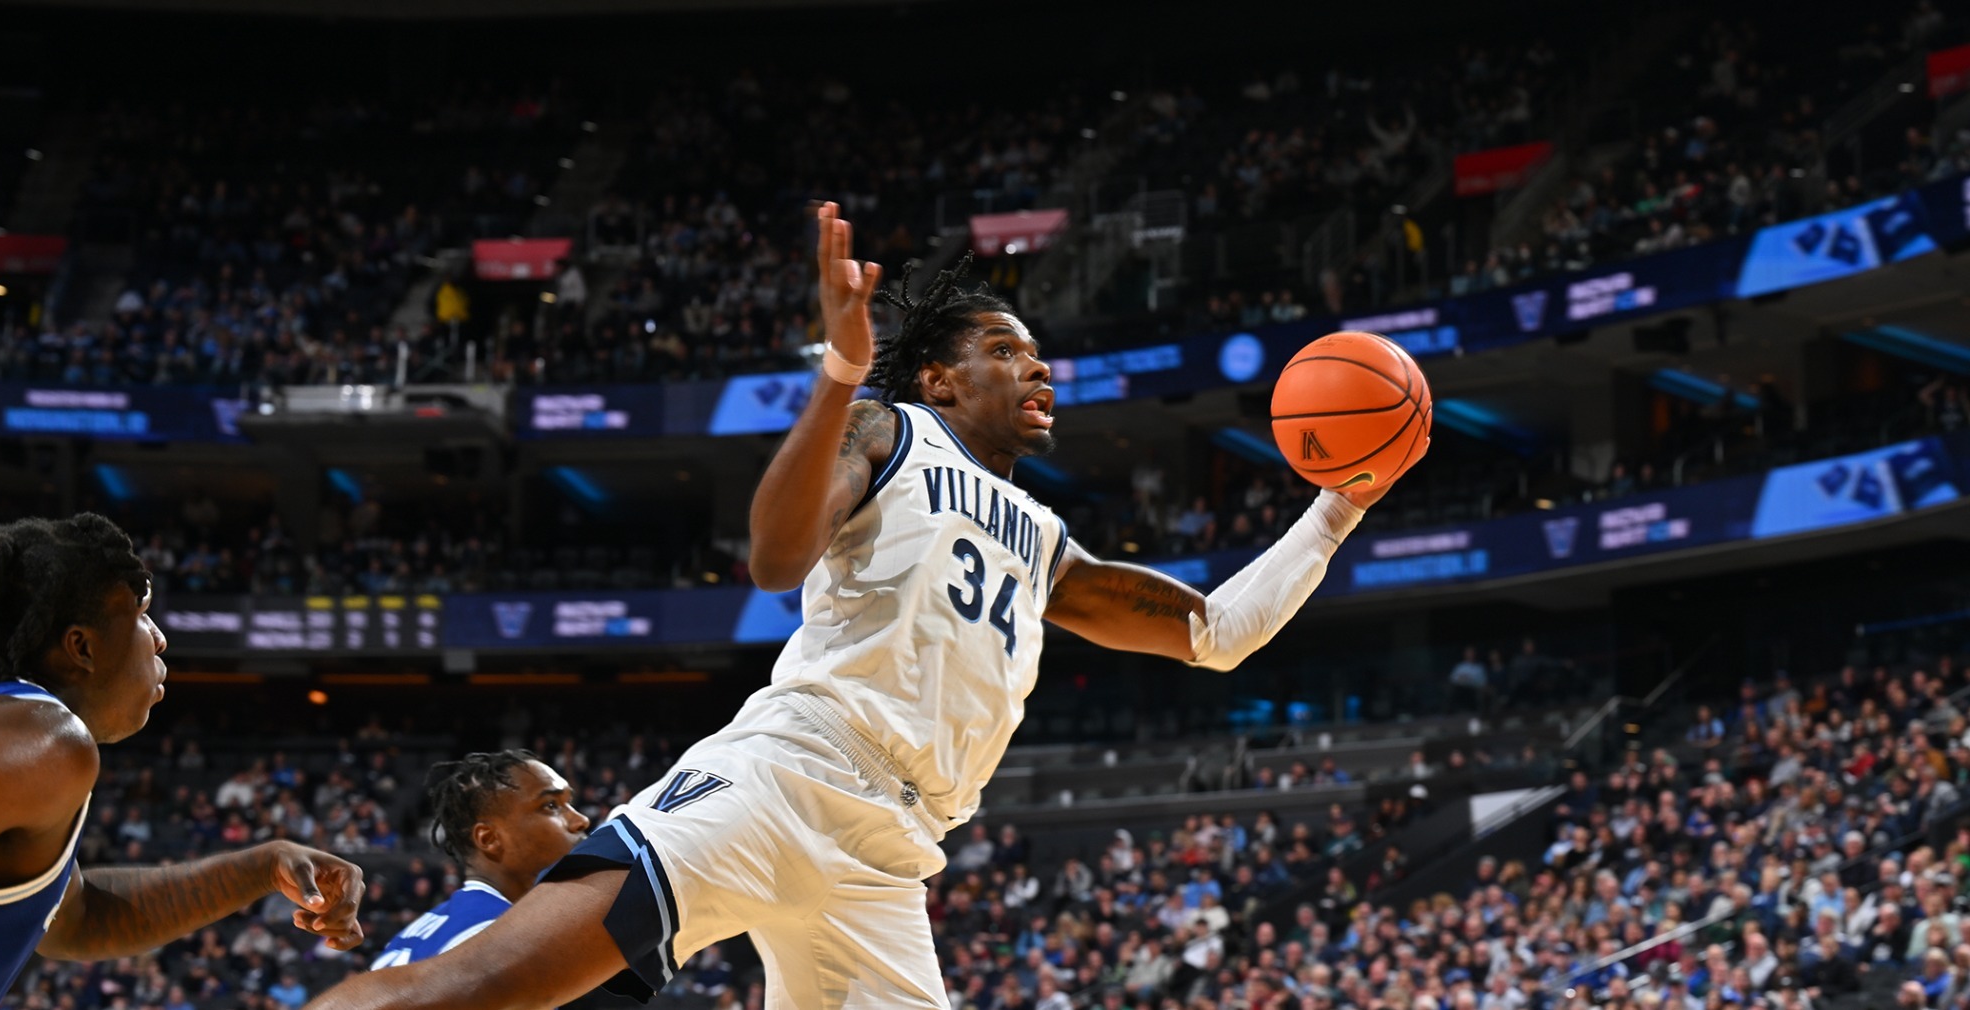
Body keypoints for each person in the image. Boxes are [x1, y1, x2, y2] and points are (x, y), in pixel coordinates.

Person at [304, 202, 1422, 1010]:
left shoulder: (1045, 543)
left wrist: (1333, 508)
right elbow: (773, 556)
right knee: (485, 985)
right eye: (1004, 350)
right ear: (936, 377)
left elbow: (1214, 634)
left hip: (890, 852)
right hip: (784, 775)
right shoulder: (891, 431)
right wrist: (842, 375)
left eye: (1041, 361)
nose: (1038, 374)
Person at [0, 515, 365, 1010]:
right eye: (140, 615)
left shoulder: (19, 736)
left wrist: (265, 866)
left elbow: (79, 919)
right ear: (82, 647)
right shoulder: (47, 737)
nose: (158, 639)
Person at [370, 750, 589, 968]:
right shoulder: (495, 942)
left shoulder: (416, 933)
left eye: (569, 802)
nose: (581, 820)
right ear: (489, 838)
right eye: (551, 806)